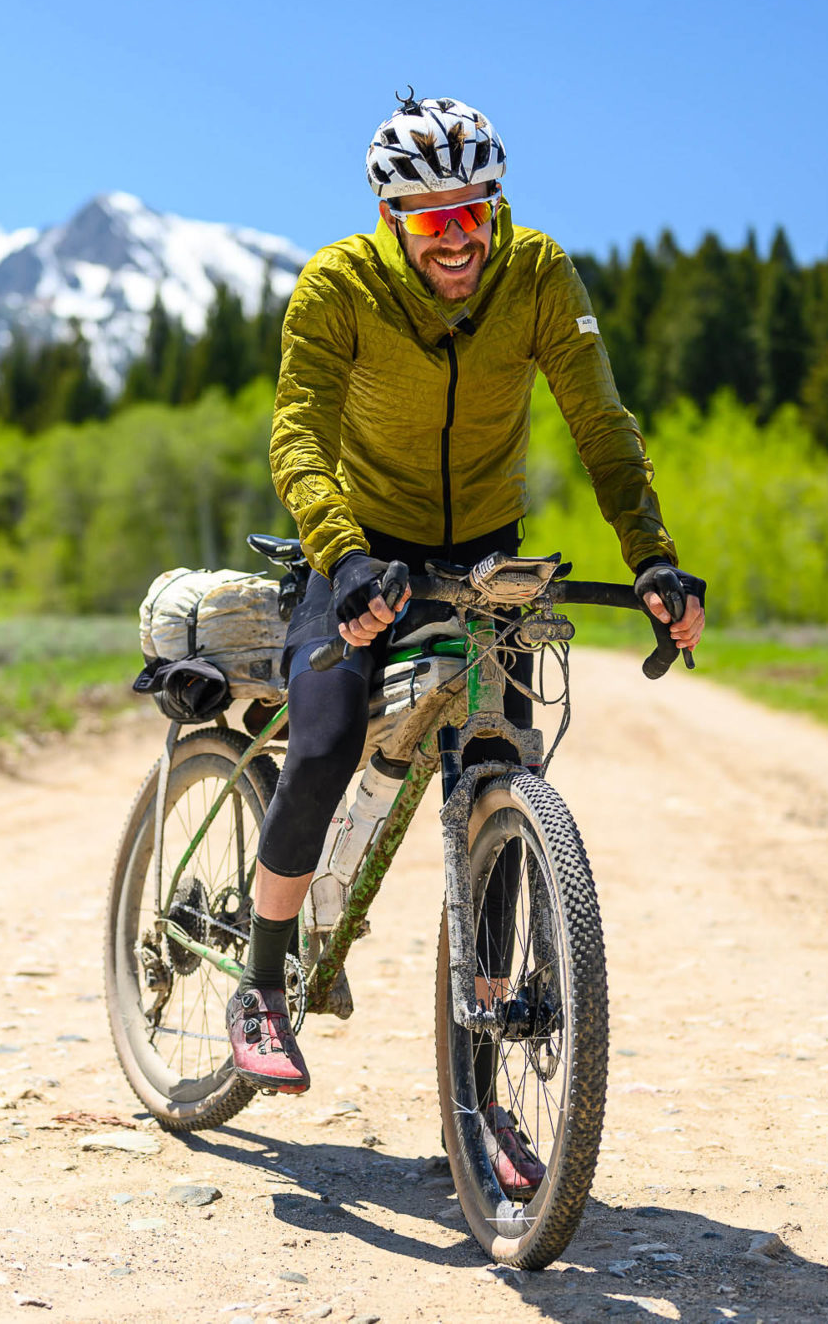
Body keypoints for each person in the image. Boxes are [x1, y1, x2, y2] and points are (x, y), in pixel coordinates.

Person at [225, 92, 707, 1195]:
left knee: (494, 769)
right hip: (358, 548)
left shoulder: (536, 276)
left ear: (497, 206)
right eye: (429, 217)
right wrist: (342, 555)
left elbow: (600, 424)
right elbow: (295, 429)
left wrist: (651, 557)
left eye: (473, 211)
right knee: (326, 738)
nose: (457, 238)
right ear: (391, 221)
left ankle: (482, 1105)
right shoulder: (338, 285)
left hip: (481, 552)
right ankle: (258, 982)